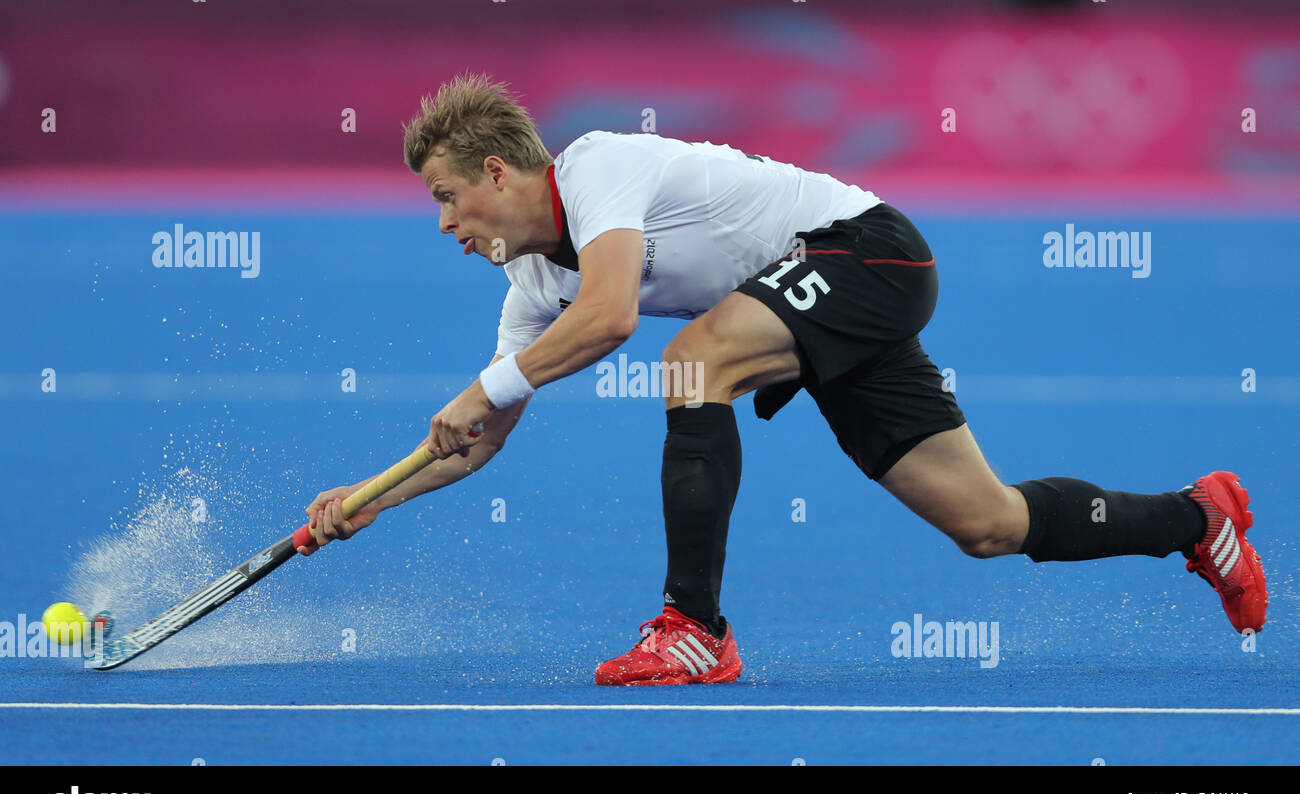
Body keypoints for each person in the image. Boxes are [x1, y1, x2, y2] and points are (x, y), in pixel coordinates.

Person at [298, 73, 1268, 685]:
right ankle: (1199, 518)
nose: (441, 224)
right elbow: (480, 438)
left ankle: (694, 629)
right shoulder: (530, 280)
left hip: (866, 253)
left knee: (692, 361)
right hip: (805, 305)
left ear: (501, 173)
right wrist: (377, 494)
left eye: (446, 197)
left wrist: (488, 384)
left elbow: (608, 319)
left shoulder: (597, 169)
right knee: (988, 523)